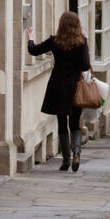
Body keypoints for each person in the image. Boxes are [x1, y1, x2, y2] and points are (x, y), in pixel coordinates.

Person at [27, 12, 91, 172]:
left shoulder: (55, 41)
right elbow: (85, 65)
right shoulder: (82, 42)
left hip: (58, 86)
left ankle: (66, 161)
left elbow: (34, 50)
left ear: (61, 24)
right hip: (75, 87)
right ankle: (76, 151)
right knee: (75, 123)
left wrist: (30, 37)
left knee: (62, 123)